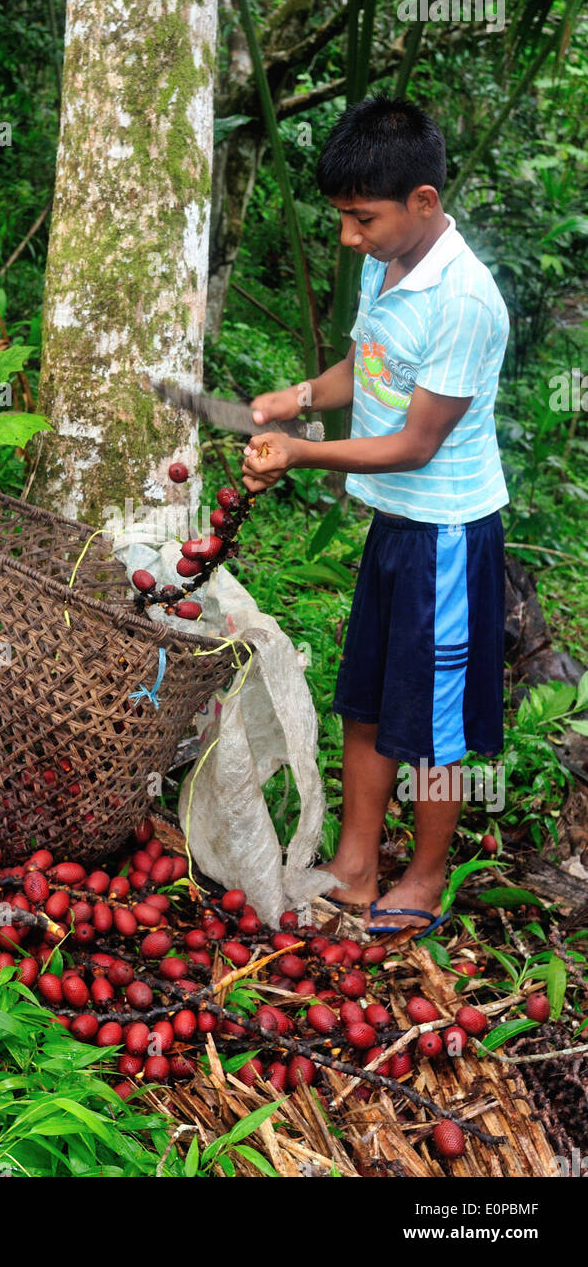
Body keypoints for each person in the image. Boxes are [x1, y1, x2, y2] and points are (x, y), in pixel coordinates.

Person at [241, 94, 509, 938]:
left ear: (423, 203)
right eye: (343, 221)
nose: (350, 238)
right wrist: (297, 398)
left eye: (362, 220)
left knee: (430, 721)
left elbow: (414, 443)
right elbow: (367, 370)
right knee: (365, 699)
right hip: (396, 528)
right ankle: (356, 864)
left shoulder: (465, 301)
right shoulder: (384, 266)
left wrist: (302, 451)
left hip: (448, 537)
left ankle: (424, 877)